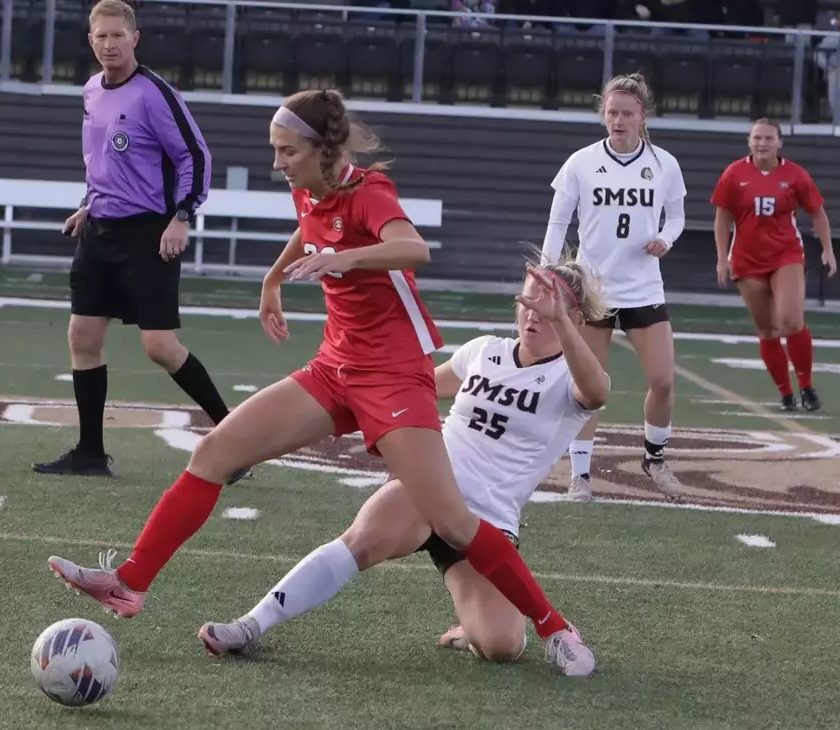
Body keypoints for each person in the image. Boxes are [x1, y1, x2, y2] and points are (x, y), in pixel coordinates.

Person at [45, 89, 593, 669]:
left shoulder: (370, 193)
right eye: (275, 149)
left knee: (455, 522)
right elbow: (311, 226)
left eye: (287, 151)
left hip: (393, 375)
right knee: (214, 452)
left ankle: (556, 629)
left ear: (321, 149)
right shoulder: (308, 187)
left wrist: (346, 258)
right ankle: (130, 582)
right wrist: (274, 278)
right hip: (335, 367)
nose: (277, 162)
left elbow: (413, 248)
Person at [198, 258, 608, 677]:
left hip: (489, 522)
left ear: (575, 318)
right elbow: (413, 388)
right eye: (528, 300)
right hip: (430, 488)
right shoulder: (485, 351)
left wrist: (563, 324)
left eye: (548, 307)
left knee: (501, 646)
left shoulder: (570, 378)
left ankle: (471, 630)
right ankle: (249, 625)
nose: (532, 314)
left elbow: (597, 392)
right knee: (358, 543)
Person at [33, 0, 240, 482]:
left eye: (118, 36)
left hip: (149, 234)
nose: (109, 45)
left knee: (160, 346)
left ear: (135, 38)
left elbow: (195, 157)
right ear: (90, 41)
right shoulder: (90, 91)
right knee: (83, 338)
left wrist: (182, 217)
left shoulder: (155, 93)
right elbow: (101, 161)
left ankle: (238, 442)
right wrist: (87, 205)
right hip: (98, 232)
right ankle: (90, 453)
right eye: (101, 36)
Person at [541, 72, 686, 503]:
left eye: (626, 113)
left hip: (643, 287)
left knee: (663, 380)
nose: (618, 120)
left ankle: (655, 459)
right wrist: (549, 272)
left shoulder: (664, 163)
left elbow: (677, 217)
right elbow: (558, 222)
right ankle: (580, 476)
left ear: (643, 116)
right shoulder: (581, 162)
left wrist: (666, 238)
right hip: (594, 288)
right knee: (589, 387)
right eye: (611, 113)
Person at [710, 119, 836, 413]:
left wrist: (828, 250)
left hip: (785, 254)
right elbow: (722, 217)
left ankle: (806, 386)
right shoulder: (734, 174)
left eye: (768, 138)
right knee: (767, 329)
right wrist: (721, 257)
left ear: (779, 142)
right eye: (757, 138)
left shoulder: (795, 175)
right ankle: (785, 393)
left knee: (791, 319)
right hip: (747, 259)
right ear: (749, 141)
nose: (762, 143)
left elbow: (817, 213)